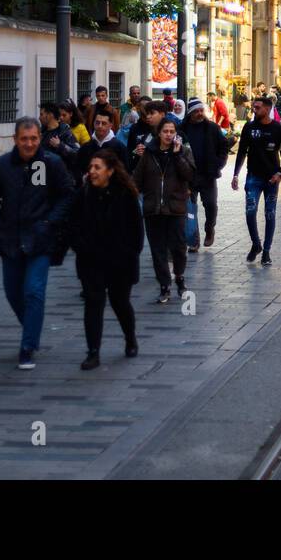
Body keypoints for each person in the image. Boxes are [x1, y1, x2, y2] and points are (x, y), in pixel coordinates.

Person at [0, 117, 77, 370]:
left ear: (40, 138)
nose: (29, 143)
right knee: (13, 292)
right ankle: (31, 329)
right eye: (24, 139)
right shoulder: (2, 166)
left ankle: (27, 346)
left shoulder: (50, 163)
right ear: (15, 139)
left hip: (40, 239)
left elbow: (67, 195)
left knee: (34, 291)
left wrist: (50, 222)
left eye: (34, 138)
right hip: (10, 239)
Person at [70, 151, 143, 370]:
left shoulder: (125, 195)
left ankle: (130, 338)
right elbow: (72, 225)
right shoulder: (83, 195)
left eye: (97, 167)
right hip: (91, 261)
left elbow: (136, 232)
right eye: (90, 167)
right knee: (93, 304)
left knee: (120, 303)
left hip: (120, 262)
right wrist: (80, 247)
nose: (92, 171)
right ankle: (93, 352)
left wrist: (130, 255)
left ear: (110, 171)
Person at [133, 118, 195, 304]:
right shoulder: (148, 154)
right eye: (165, 131)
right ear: (159, 133)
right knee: (157, 250)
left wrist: (177, 156)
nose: (169, 135)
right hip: (153, 210)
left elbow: (189, 175)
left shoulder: (184, 151)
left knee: (178, 247)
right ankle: (164, 285)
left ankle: (179, 276)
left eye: (172, 131)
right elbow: (137, 179)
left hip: (176, 208)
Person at [232, 96, 281, 265]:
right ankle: (256, 243)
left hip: (272, 179)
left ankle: (266, 251)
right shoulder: (249, 127)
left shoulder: (279, 128)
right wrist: (236, 174)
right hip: (253, 176)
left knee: (270, 214)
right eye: (253, 107)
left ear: (267, 109)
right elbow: (242, 151)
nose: (254, 110)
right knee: (250, 211)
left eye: (257, 108)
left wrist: (280, 173)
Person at [180, 97, 228, 249]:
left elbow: (223, 146)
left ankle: (209, 228)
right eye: (196, 111)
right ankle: (194, 239)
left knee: (211, 204)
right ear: (190, 113)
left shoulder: (212, 128)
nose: (200, 113)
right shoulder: (182, 129)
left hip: (208, 174)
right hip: (189, 176)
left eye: (201, 110)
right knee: (190, 208)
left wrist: (218, 164)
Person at [76, 110, 130, 179]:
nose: (100, 126)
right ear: (93, 123)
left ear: (110, 125)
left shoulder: (119, 148)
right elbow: (78, 170)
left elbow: (126, 174)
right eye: (97, 123)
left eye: (104, 123)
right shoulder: (85, 148)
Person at [38, 102, 80, 173]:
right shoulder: (41, 133)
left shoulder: (64, 132)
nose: (39, 118)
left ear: (50, 115)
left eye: (41, 114)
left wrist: (60, 145)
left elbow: (77, 153)